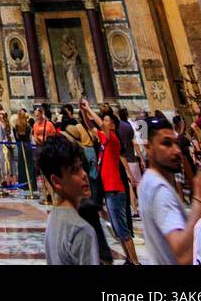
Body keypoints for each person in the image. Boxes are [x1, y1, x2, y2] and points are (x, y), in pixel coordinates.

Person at [138, 116, 201, 264]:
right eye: (166, 144)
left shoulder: (147, 181)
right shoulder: (160, 190)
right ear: (148, 147)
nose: (176, 150)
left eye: (176, 143)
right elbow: (184, 256)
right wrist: (200, 200)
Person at [79, 99, 138, 264]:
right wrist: (84, 112)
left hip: (115, 188)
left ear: (112, 126)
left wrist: (89, 108)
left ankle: (135, 262)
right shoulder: (104, 141)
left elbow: (99, 125)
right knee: (118, 229)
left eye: (106, 121)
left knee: (123, 230)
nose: (103, 122)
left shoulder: (113, 139)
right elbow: (90, 126)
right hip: (108, 189)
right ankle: (129, 259)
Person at [38, 134, 99, 266]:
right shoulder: (81, 229)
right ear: (56, 181)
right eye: (74, 170)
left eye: (81, 166)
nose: (83, 174)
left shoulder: (53, 217)